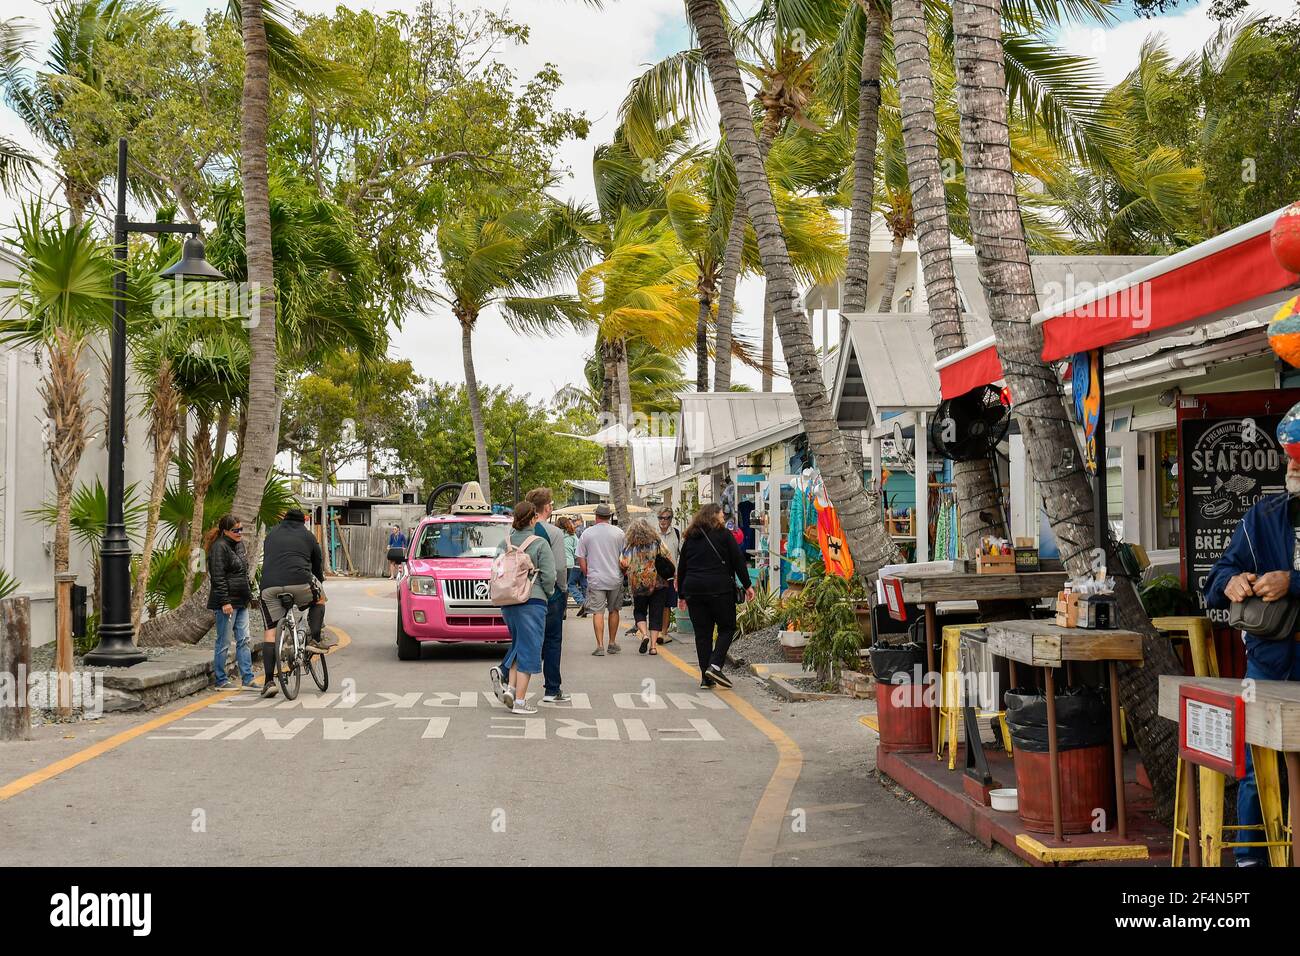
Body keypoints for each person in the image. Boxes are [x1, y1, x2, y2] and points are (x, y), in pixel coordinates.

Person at [1203, 451, 1300, 866]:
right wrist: (1232, 582)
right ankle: (1248, 859)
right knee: (1251, 764)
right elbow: (1217, 574)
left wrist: (1293, 581)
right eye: (1290, 459)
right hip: (1267, 658)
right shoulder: (1262, 516)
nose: (1292, 467)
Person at [491, 487, 571, 705]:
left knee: (520, 641)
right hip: (535, 599)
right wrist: (555, 592)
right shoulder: (548, 536)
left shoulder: (504, 542)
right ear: (536, 514)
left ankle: (509, 685)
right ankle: (539, 693)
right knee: (543, 643)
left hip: (508, 600)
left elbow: (496, 566)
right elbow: (555, 571)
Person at [677, 502, 753, 689]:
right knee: (727, 627)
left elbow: (682, 567)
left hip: (694, 590)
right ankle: (715, 665)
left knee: (702, 634)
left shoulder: (690, 537)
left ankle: (706, 677)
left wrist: (681, 596)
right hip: (719, 589)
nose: (723, 518)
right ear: (714, 516)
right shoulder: (724, 535)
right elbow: (738, 561)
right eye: (721, 515)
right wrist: (748, 585)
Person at [258, 508, 327, 699]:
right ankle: (313, 639)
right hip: (300, 582)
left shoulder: (271, 535)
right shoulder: (308, 536)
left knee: (270, 632)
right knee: (320, 598)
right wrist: (319, 581)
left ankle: (269, 682)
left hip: (269, 587)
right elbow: (317, 564)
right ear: (302, 522)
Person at [206, 514, 257, 690]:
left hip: (241, 600)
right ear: (225, 531)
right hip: (226, 603)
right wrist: (225, 602)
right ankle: (220, 679)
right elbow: (218, 577)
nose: (239, 532)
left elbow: (242, 572)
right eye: (235, 530)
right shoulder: (219, 548)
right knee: (224, 642)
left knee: (244, 639)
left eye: (241, 529)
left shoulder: (239, 545)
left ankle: (247, 678)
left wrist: (248, 596)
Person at [576, 503, 626, 655]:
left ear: (596, 516)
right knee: (614, 610)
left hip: (596, 578)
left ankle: (600, 645)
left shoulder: (587, 533)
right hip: (615, 577)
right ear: (610, 516)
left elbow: (581, 557)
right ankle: (612, 642)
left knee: (598, 612)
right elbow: (625, 556)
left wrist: (586, 573)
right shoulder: (619, 533)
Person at [620, 519, 672, 656]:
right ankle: (653, 647)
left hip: (638, 584)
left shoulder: (630, 545)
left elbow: (623, 563)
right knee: (656, 614)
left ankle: (644, 635)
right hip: (658, 583)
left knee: (640, 611)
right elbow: (668, 556)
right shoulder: (657, 541)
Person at [656, 507, 681, 643]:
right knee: (655, 604)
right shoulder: (653, 533)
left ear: (671, 519)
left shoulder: (676, 533)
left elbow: (680, 554)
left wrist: (679, 573)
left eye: (666, 518)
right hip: (655, 576)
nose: (663, 521)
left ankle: (663, 633)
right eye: (661, 518)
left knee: (667, 605)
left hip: (671, 575)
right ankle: (655, 630)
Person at [558, 516, 587, 615]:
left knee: (566, 585)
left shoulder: (556, 535)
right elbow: (578, 551)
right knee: (583, 584)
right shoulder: (573, 536)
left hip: (561, 563)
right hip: (573, 563)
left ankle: (579, 603)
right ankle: (586, 604)